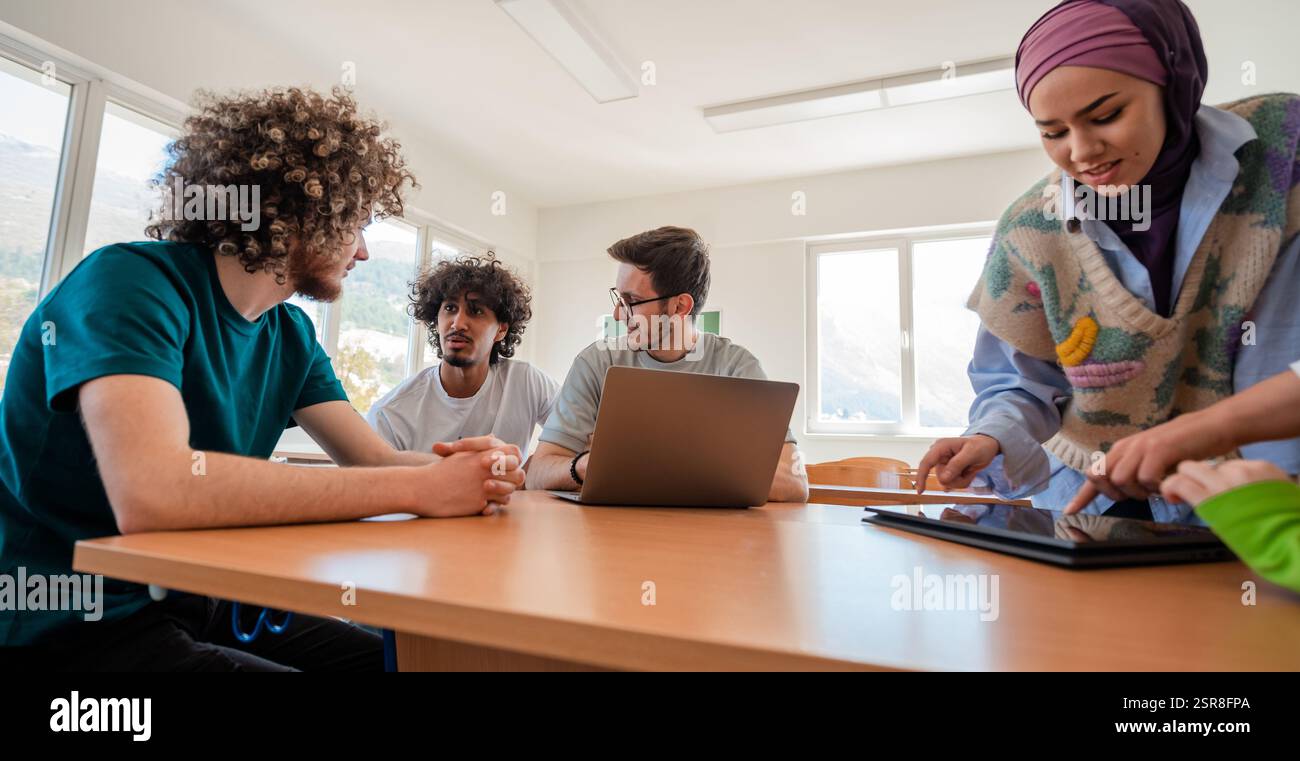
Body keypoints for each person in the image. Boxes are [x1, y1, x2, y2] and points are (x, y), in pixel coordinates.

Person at [0, 87, 524, 671]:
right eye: (357, 223)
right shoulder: (129, 284)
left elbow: (375, 462)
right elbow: (154, 493)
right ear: (297, 212)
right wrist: (424, 489)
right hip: (70, 621)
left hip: (199, 595)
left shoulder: (290, 333)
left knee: (402, 664)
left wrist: (474, 469)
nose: (365, 251)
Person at [916, 0, 1300, 523]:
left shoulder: (1283, 157)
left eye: (1106, 116)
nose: (1082, 151)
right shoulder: (1032, 229)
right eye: (1053, 133)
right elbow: (1020, 381)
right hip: (1088, 501)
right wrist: (991, 436)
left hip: (1257, 495)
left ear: (1175, 83)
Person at [519, 226, 808, 502]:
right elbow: (537, 474)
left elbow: (794, 482)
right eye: (619, 298)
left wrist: (658, 463)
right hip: (610, 539)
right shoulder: (595, 362)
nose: (619, 315)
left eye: (631, 301)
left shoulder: (736, 367)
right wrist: (585, 466)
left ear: (680, 306)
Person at [367, 255, 558, 459]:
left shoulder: (526, 382)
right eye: (450, 308)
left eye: (475, 311)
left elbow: (582, 437)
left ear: (501, 329)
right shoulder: (391, 413)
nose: (457, 324)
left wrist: (528, 475)